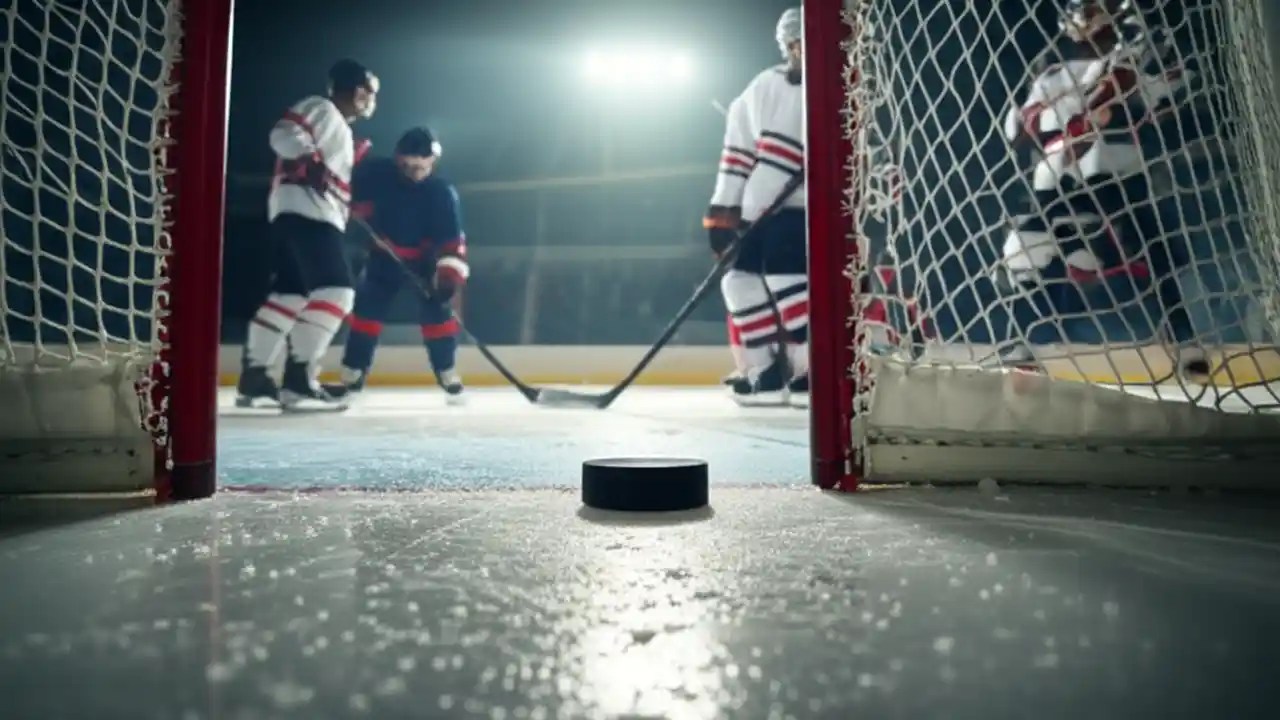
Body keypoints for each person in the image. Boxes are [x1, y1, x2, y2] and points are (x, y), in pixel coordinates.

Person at [994, 0, 1200, 369]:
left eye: (1100, 10)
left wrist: (1136, 85)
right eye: (1089, 11)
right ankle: (1030, 341)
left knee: (1153, 246)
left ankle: (1183, 339)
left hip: (1115, 171)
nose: (1095, 19)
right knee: (1029, 248)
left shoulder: (1132, 62)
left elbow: (1168, 93)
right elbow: (1020, 129)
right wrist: (1070, 121)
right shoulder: (1051, 72)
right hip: (1059, 179)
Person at [236, 59, 378, 410]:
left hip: (295, 212)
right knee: (338, 290)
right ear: (359, 91)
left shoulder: (340, 128)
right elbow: (283, 134)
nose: (373, 100)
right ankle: (299, 382)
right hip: (309, 213)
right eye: (372, 93)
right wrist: (308, 157)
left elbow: (326, 173)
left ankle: (255, 378)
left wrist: (347, 204)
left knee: (290, 294)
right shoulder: (322, 109)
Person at [704, 6, 809, 406]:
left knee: (788, 278)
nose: (802, 50)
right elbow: (737, 155)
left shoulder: (844, 87)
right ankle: (764, 372)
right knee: (738, 281)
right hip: (759, 209)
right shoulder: (764, 86)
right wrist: (723, 214)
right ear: (789, 45)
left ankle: (810, 369)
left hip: (806, 210)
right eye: (797, 43)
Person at [336, 127, 469, 404]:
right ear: (398, 159)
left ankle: (446, 370)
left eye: (421, 165)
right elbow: (346, 190)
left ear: (432, 161)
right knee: (366, 314)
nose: (414, 171)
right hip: (382, 258)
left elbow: (451, 240)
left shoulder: (442, 193)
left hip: (424, 263)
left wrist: (446, 278)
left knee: (438, 316)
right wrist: (362, 229)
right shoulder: (376, 174)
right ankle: (353, 371)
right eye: (408, 165)